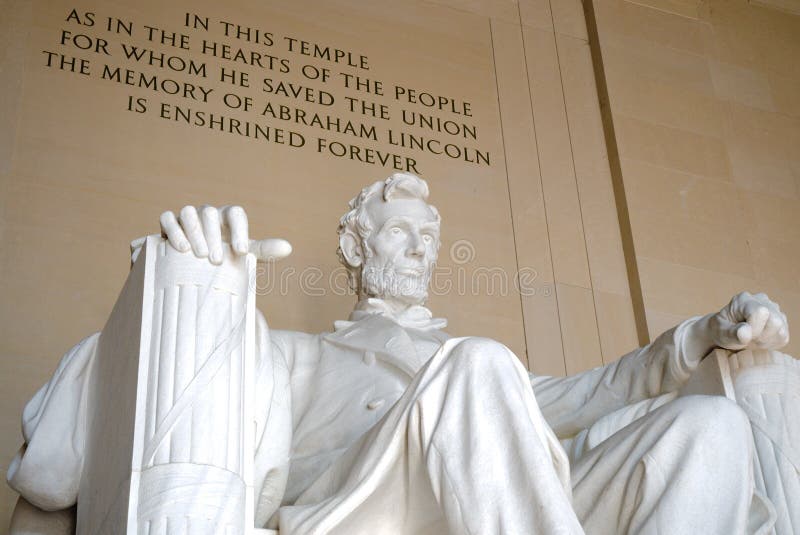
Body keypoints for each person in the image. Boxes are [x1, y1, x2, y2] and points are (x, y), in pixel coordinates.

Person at [8, 173, 790, 534]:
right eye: (398, 232)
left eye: (429, 238)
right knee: (479, 367)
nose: (418, 249)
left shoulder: (477, 368)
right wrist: (201, 273)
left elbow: (593, 393)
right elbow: (182, 380)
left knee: (709, 433)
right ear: (354, 244)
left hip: (498, 501)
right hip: (360, 509)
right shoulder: (294, 353)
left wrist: (698, 337)